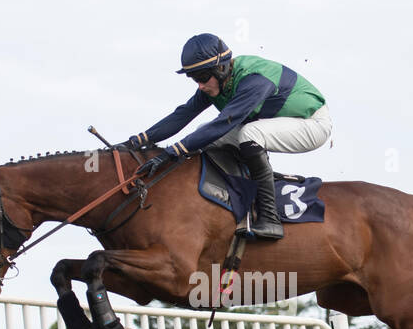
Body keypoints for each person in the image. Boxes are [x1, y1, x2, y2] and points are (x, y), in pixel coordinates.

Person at [126, 33, 331, 239]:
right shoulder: (220, 81)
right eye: (194, 78)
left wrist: (171, 153)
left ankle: (270, 219)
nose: (199, 85)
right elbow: (183, 114)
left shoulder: (254, 81)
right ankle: (236, 199)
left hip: (313, 124)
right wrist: (137, 141)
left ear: (221, 68)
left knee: (249, 134)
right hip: (275, 123)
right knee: (204, 133)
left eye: (202, 77)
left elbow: (225, 123)